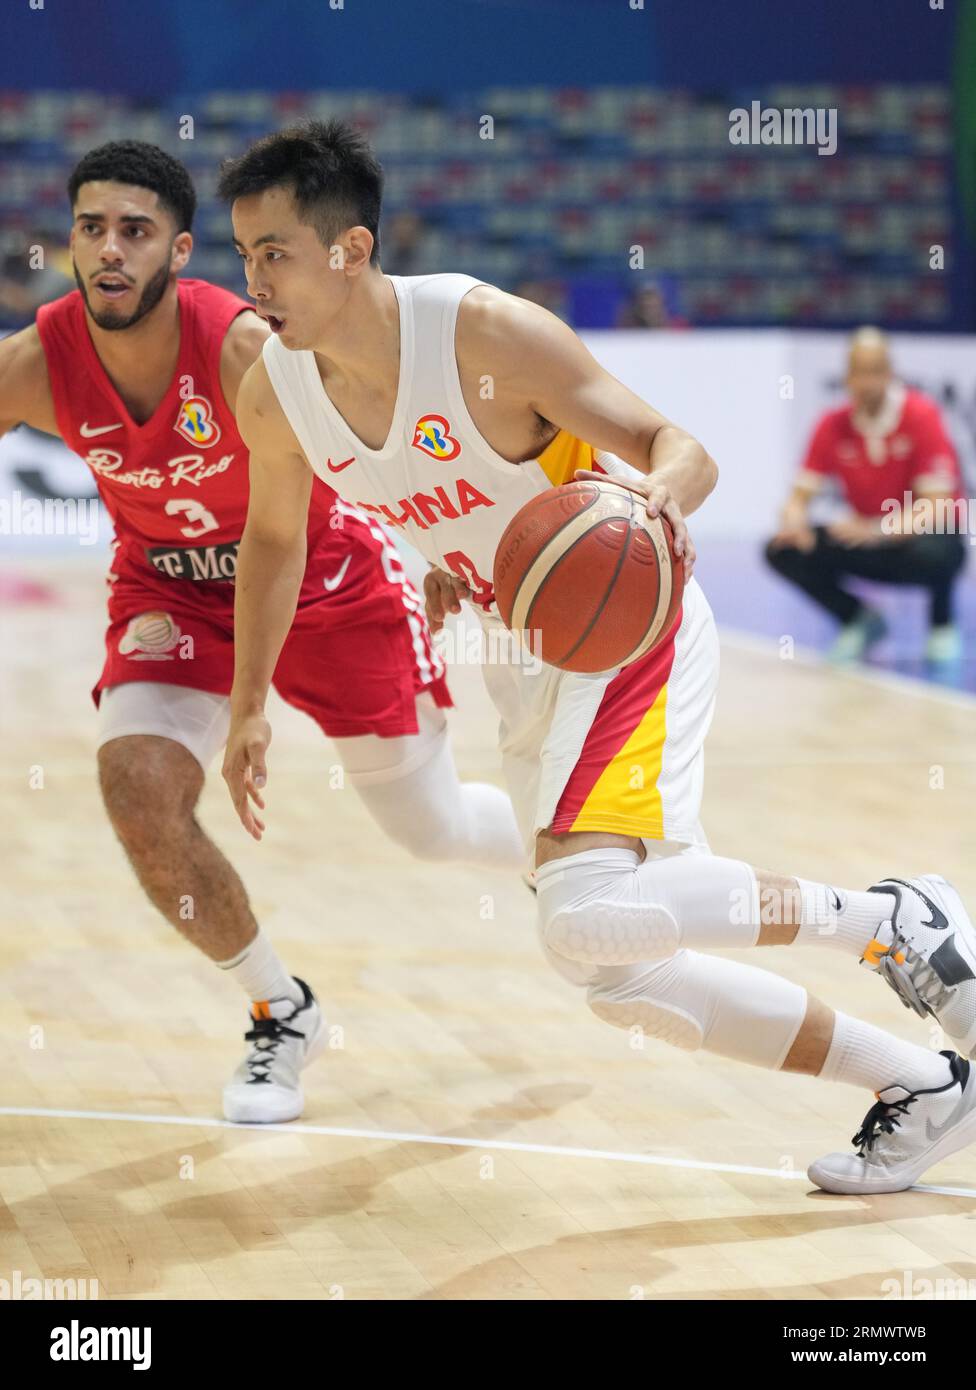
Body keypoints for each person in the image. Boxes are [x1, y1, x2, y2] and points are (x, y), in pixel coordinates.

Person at [219, 120, 976, 1194]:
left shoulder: (480, 333)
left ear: (349, 249)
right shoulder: (277, 388)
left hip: (625, 627)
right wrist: (252, 702)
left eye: (274, 252)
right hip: (524, 653)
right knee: (620, 973)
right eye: (244, 254)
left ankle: (891, 920)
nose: (253, 281)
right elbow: (275, 541)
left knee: (575, 913)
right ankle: (921, 1085)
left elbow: (682, 450)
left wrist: (650, 510)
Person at [0, 140, 523, 1125]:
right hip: (174, 592)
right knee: (137, 791)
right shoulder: (39, 362)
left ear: (178, 249)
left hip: (324, 580)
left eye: (135, 231)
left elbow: (380, 434)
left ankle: (565, 853)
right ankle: (282, 1009)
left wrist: (443, 542)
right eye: (90, 228)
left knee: (431, 827)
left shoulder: (243, 345)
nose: (109, 250)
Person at [766, 327, 967, 666]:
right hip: (866, 542)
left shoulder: (921, 416)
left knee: (943, 539)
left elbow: (937, 504)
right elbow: (798, 497)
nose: (867, 381)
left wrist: (878, 529)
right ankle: (859, 619)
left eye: (875, 371)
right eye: (859, 371)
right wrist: (794, 522)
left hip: (910, 544)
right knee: (782, 549)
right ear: (847, 376)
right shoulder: (831, 425)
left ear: (890, 373)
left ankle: (942, 624)